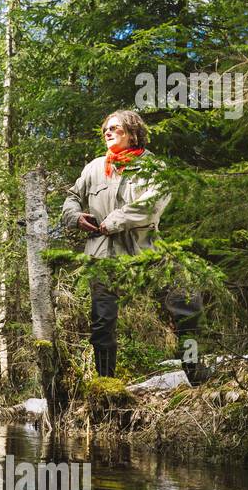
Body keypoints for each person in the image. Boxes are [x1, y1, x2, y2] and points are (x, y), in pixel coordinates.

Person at [61, 110, 202, 380]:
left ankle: (194, 370)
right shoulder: (93, 168)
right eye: (105, 130)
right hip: (102, 256)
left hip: (145, 251)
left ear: (133, 132)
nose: (108, 133)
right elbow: (71, 198)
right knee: (103, 324)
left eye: (115, 128)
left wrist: (114, 220)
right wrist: (75, 217)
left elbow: (152, 206)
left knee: (187, 303)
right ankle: (106, 385)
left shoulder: (153, 167)